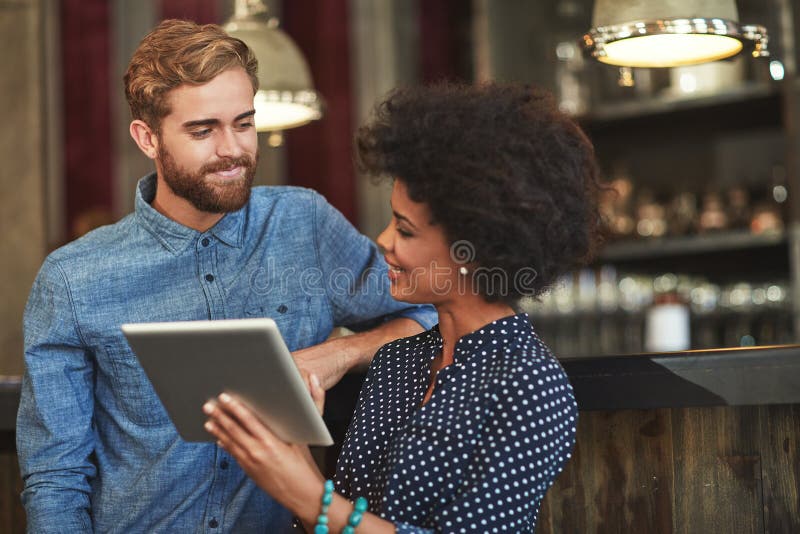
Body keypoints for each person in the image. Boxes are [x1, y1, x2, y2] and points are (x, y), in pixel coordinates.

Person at [16, 19, 436, 533]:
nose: (233, 150)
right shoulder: (72, 279)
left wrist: (338, 354)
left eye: (243, 123)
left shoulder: (303, 224)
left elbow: (431, 311)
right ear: (147, 138)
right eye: (202, 130)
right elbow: (55, 477)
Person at [204, 82, 602, 532]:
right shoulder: (399, 360)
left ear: (477, 247)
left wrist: (308, 494)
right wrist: (297, 455)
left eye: (406, 230)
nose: (384, 241)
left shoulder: (530, 385)